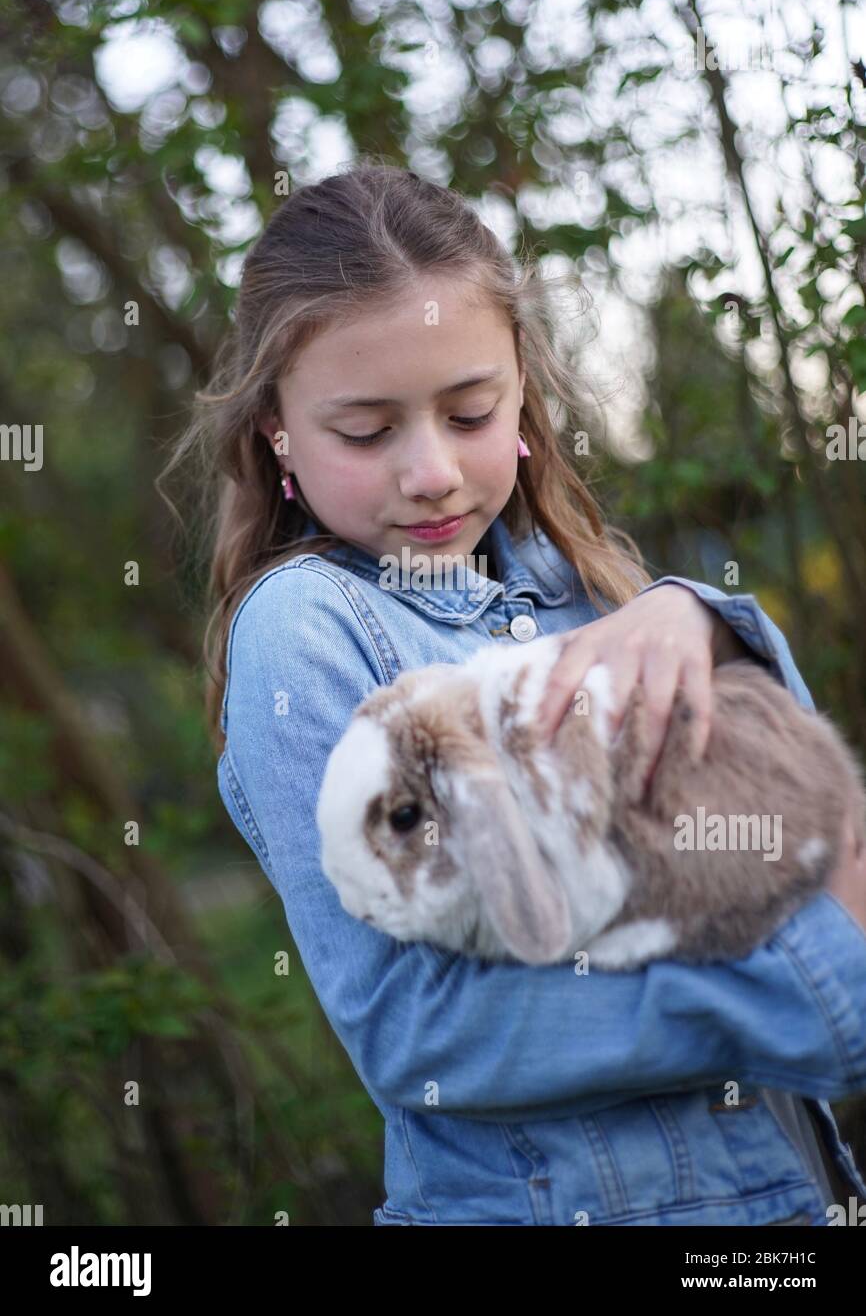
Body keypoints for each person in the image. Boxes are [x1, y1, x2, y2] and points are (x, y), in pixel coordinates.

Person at [164, 159, 866, 1226]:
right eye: (367, 431)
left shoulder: (596, 587)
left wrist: (704, 622)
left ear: (522, 391)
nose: (432, 470)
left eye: (469, 409)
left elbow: (802, 822)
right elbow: (417, 1030)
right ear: (276, 430)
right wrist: (811, 986)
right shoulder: (303, 631)